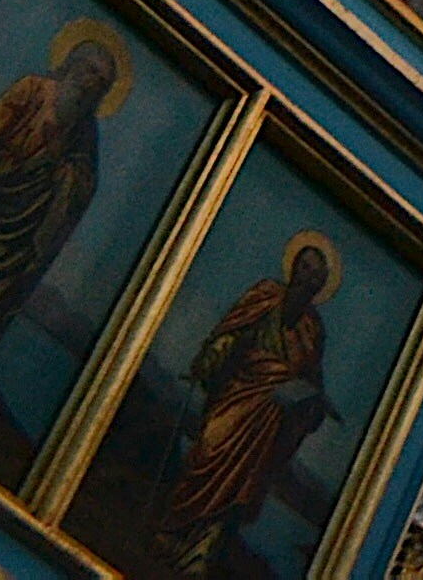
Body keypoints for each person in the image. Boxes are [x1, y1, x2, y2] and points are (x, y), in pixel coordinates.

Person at [144, 235, 336, 580]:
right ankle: (169, 531)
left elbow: (313, 378)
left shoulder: (313, 329)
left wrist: (312, 405)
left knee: (237, 488)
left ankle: (199, 555)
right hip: (238, 396)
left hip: (268, 423)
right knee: (207, 454)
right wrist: (214, 354)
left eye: (314, 276)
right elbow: (232, 331)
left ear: (319, 285)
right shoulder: (265, 295)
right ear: (293, 267)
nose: (306, 278)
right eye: (304, 268)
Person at [0, 23, 122, 397]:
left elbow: (82, 187)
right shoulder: (31, 91)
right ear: (71, 64)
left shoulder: (85, 134)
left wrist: (68, 176)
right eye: (90, 72)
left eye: (102, 83)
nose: (92, 85)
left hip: (20, 240)